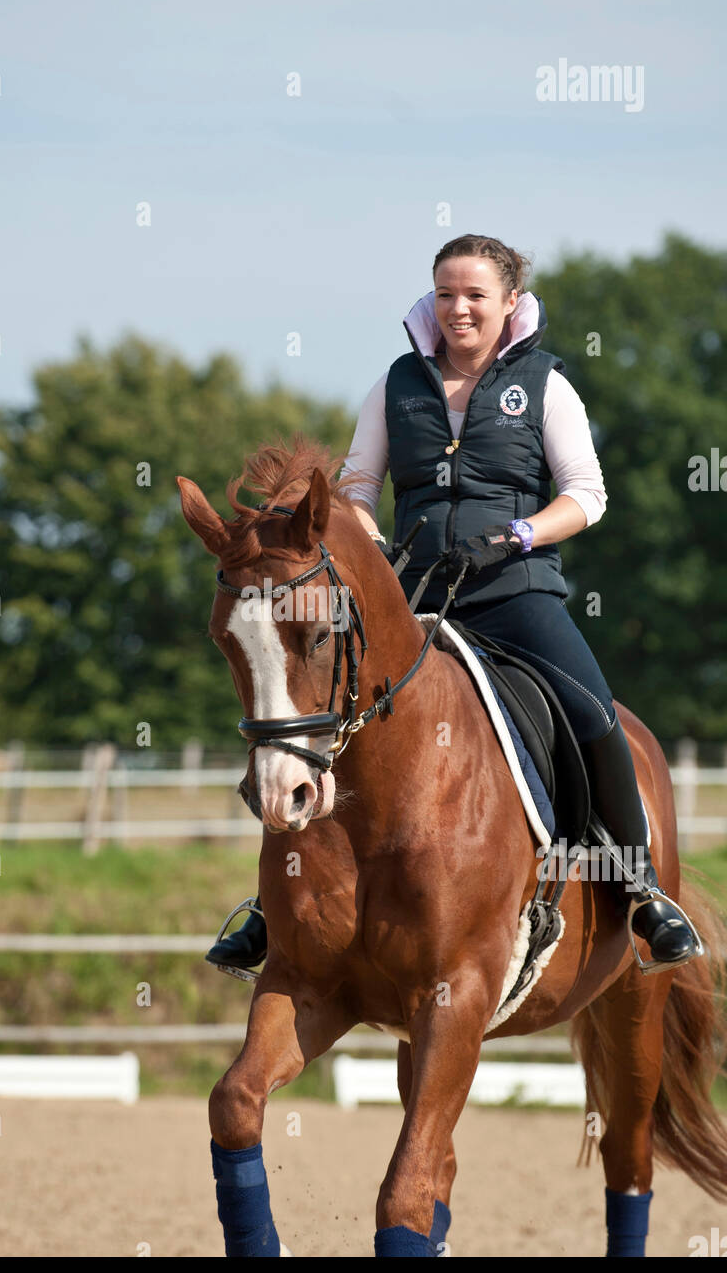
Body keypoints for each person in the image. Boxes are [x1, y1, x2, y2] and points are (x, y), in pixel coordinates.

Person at [207, 233, 700, 974]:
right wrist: (373, 541)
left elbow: (588, 497)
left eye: (474, 295)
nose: (459, 309)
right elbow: (358, 491)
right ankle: (270, 910)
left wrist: (515, 535)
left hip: (515, 595)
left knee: (595, 713)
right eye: (446, 294)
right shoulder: (395, 385)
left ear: (510, 303)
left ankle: (642, 891)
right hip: (412, 603)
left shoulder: (545, 386)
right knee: (312, 726)